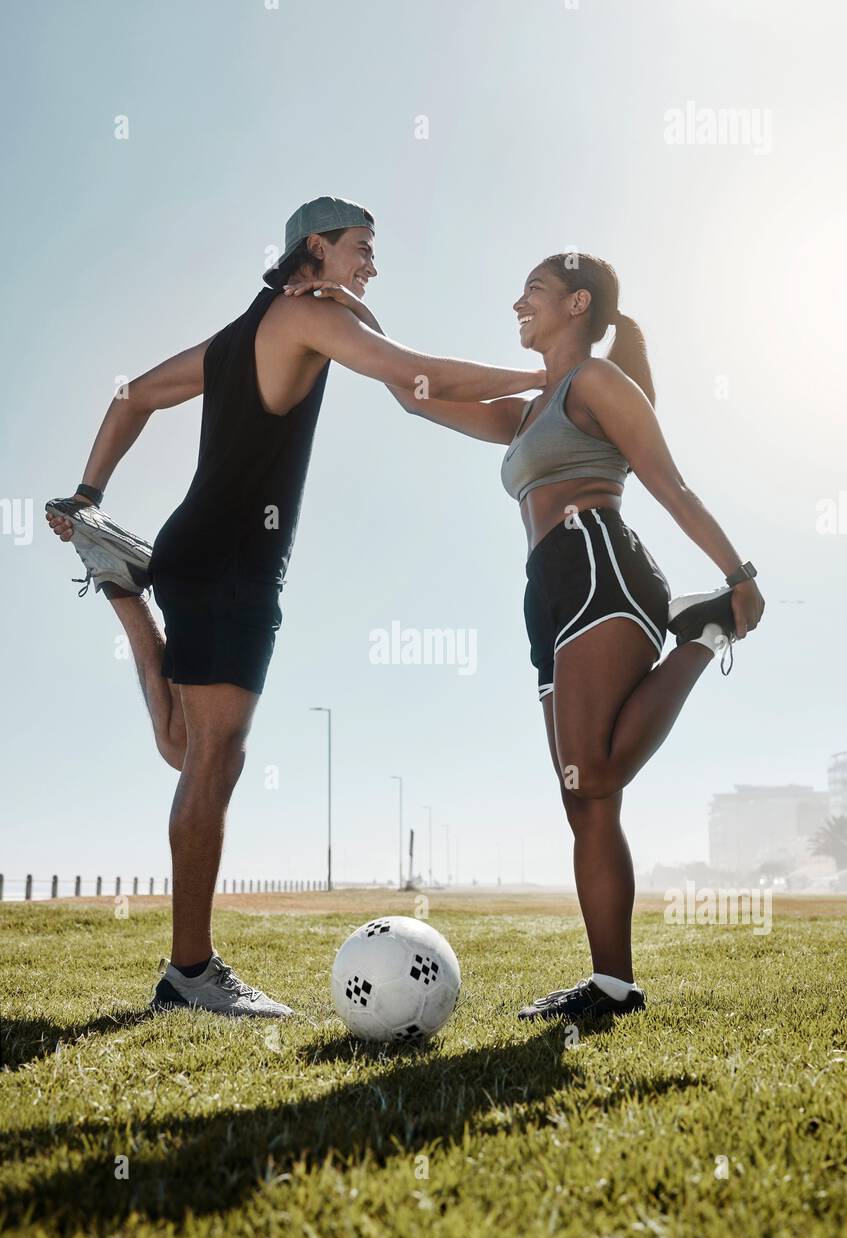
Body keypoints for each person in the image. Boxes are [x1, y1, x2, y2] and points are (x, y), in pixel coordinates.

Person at [45, 195, 544, 1019]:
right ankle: (190, 974)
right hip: (237, 564)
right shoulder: (309, 313)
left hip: (196, 553)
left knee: (196, 751)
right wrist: (540, 375)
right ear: (316, 247)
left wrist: (88, 492)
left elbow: (132, 393)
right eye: (362, 248)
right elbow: (415, 377)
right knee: (210, 758)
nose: (371, 263)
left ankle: (126, 590)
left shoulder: (244, 332)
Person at [293, 251, 765, 1024]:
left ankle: (701, 632)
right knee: (582, 800)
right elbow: (416, 399)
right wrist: (358, 330)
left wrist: (735, 572)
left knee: (594, 777)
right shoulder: (530, 407)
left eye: (535, 292)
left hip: (598, 564)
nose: (518, 301)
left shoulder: (598, 384)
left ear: (577, 304)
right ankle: (611, 986)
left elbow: (667, 482)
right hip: (545, 587)